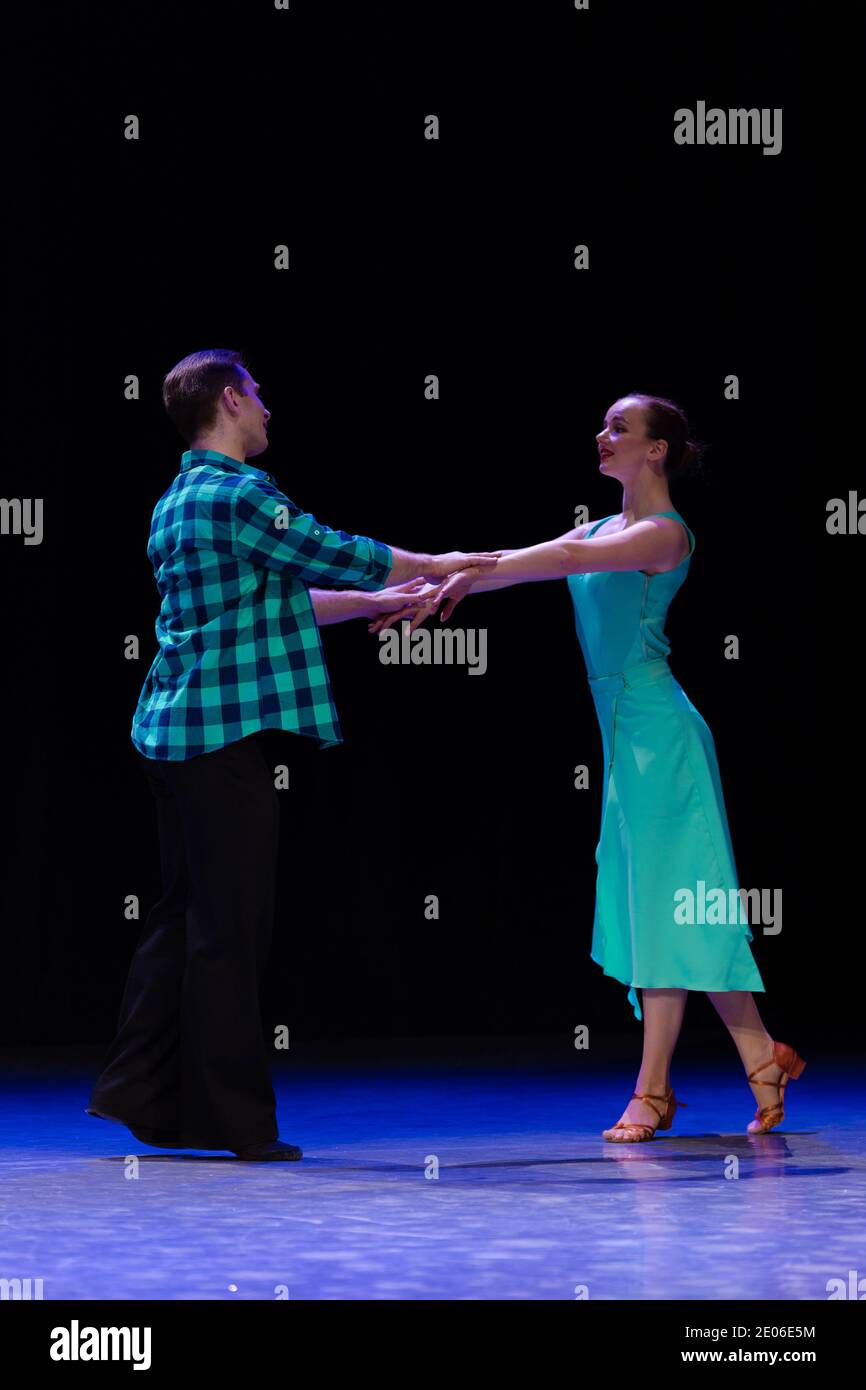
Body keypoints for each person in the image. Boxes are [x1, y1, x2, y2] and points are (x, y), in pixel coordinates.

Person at [85, 348, 498, 1161]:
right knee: (228, 932)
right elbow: (330, 550)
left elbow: (284, 596)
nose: (269, 412)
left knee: (182, 920)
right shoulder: (239, 492)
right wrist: (443, 564)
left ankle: (143, 1094)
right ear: (232, 400)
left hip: (174, 734)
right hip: (218, 737)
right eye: (260, 398)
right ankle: (230, 1122)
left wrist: (385, 600)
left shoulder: (178, 499)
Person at [367, 392, 806, 1142]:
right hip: (625, 738)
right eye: (603, 426)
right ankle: (761, 1054)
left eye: (619, 428)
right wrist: (446, 585)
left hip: (660, 737)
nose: (601, 436)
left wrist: (469, 569)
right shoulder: (604, 526)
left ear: (657, 449)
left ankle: (654, 1090)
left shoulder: (665, 536)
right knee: (673, 906)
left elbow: (563, 560)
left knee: (667, 907)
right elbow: (527, 564)